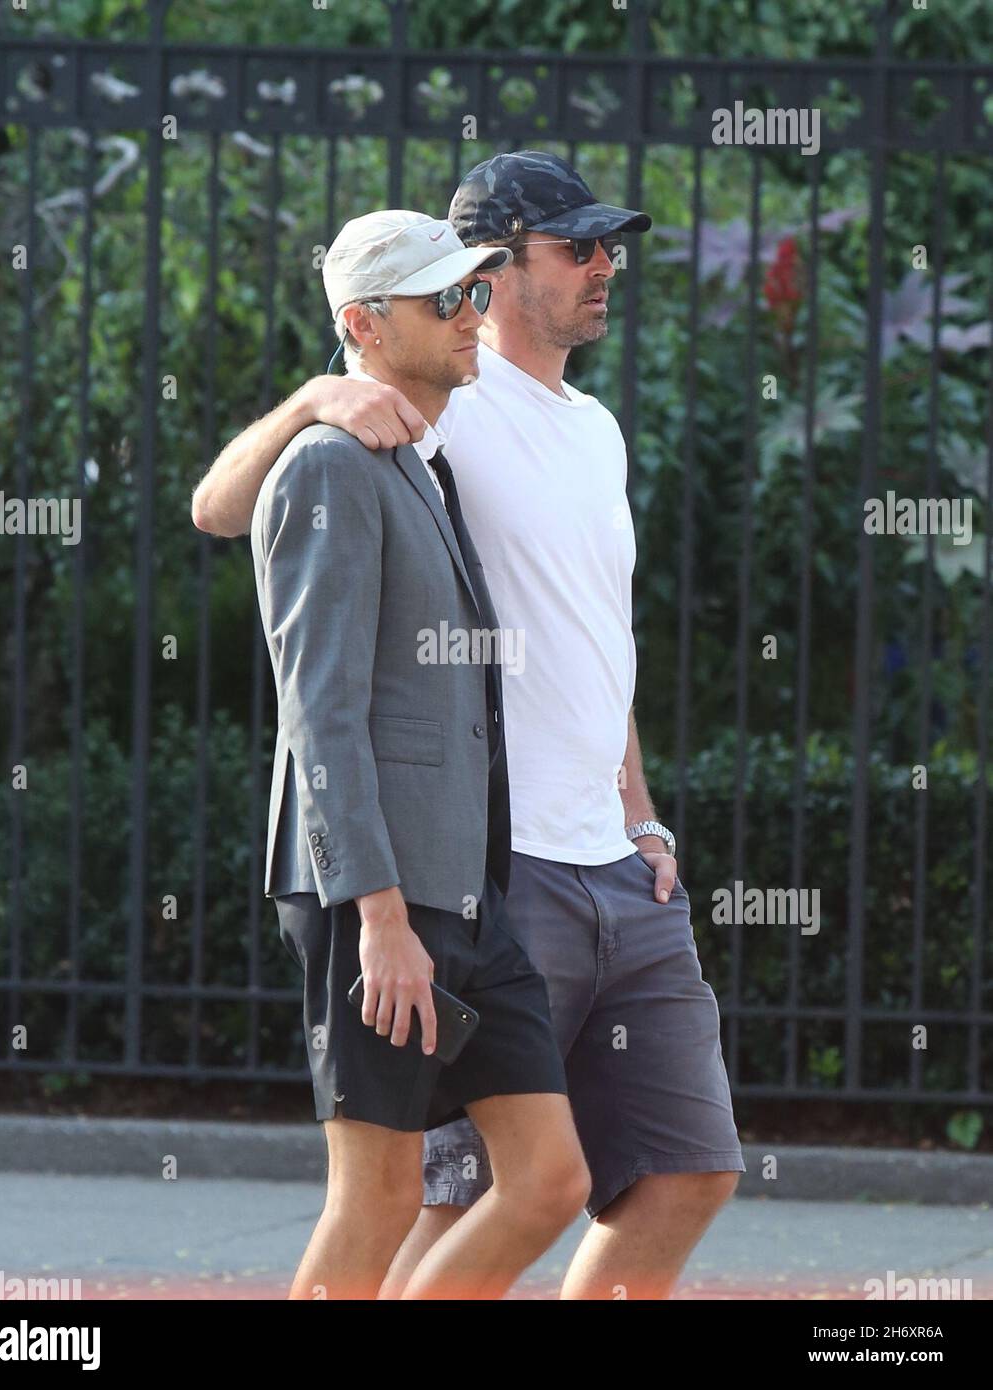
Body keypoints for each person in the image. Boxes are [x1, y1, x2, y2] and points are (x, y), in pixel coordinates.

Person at [195, 151, 745, 1301]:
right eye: (574, 246)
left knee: (625, 1174)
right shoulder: (396, 419)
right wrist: (310, 396)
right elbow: (237, 540)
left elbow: (600, 639)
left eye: (611, 247)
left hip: (565, 866)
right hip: (469, 868)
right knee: (413, 1190)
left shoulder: (551, 433)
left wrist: (639, 811)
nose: (605, 266)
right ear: (491, 274)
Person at [249, 207, 589, 1300]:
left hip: (463, 891)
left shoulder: (417, 458)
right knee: (380, 1191)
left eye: (477, 290)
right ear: (363, 323)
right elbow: (322, 715)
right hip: (380, 895)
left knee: (548, 1177)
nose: (471, 312)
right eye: (444, 297)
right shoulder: (331, 467)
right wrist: (379, 920)